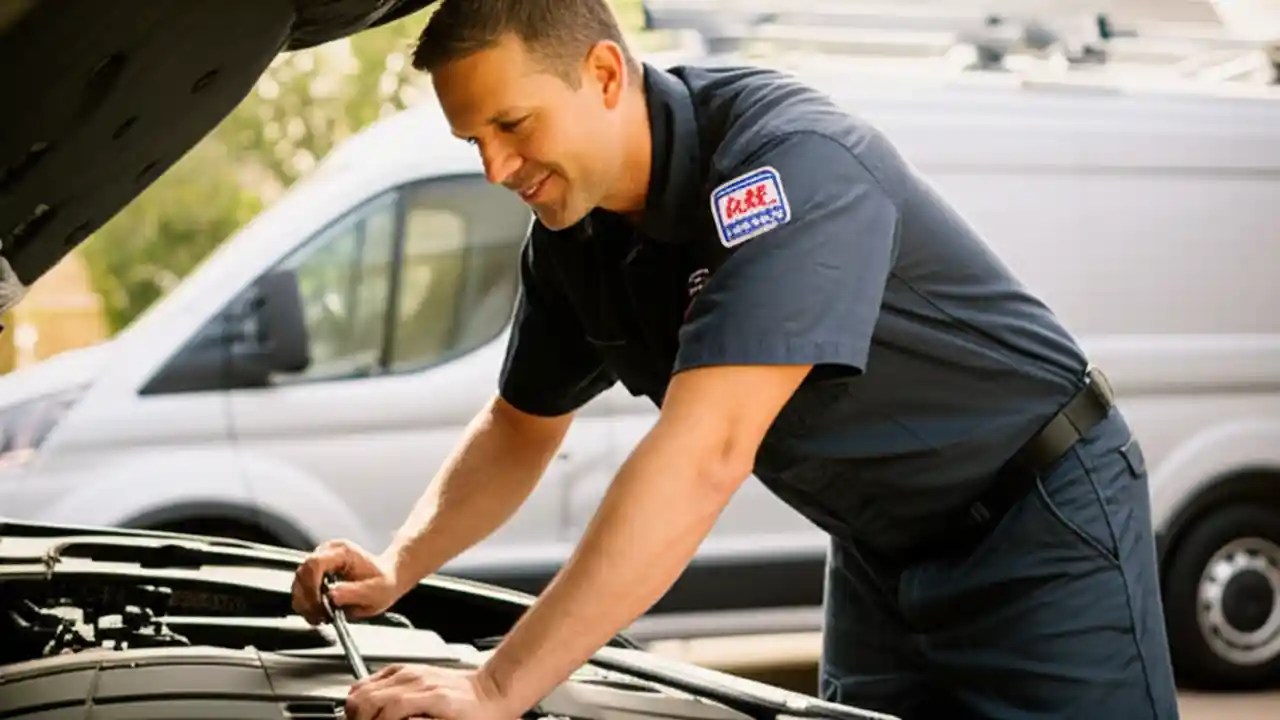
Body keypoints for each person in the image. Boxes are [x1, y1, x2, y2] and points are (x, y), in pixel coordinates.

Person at [290, 1, 1180, 718]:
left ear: (604, 73)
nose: (493, 167)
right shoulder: (573, 233)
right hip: (879, 551)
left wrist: (495, 687)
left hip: (1042, 523)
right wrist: (400, 562)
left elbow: (707, 452)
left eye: (511, 124)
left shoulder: (789, 165)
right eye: (472, 140)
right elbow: (520, 426)